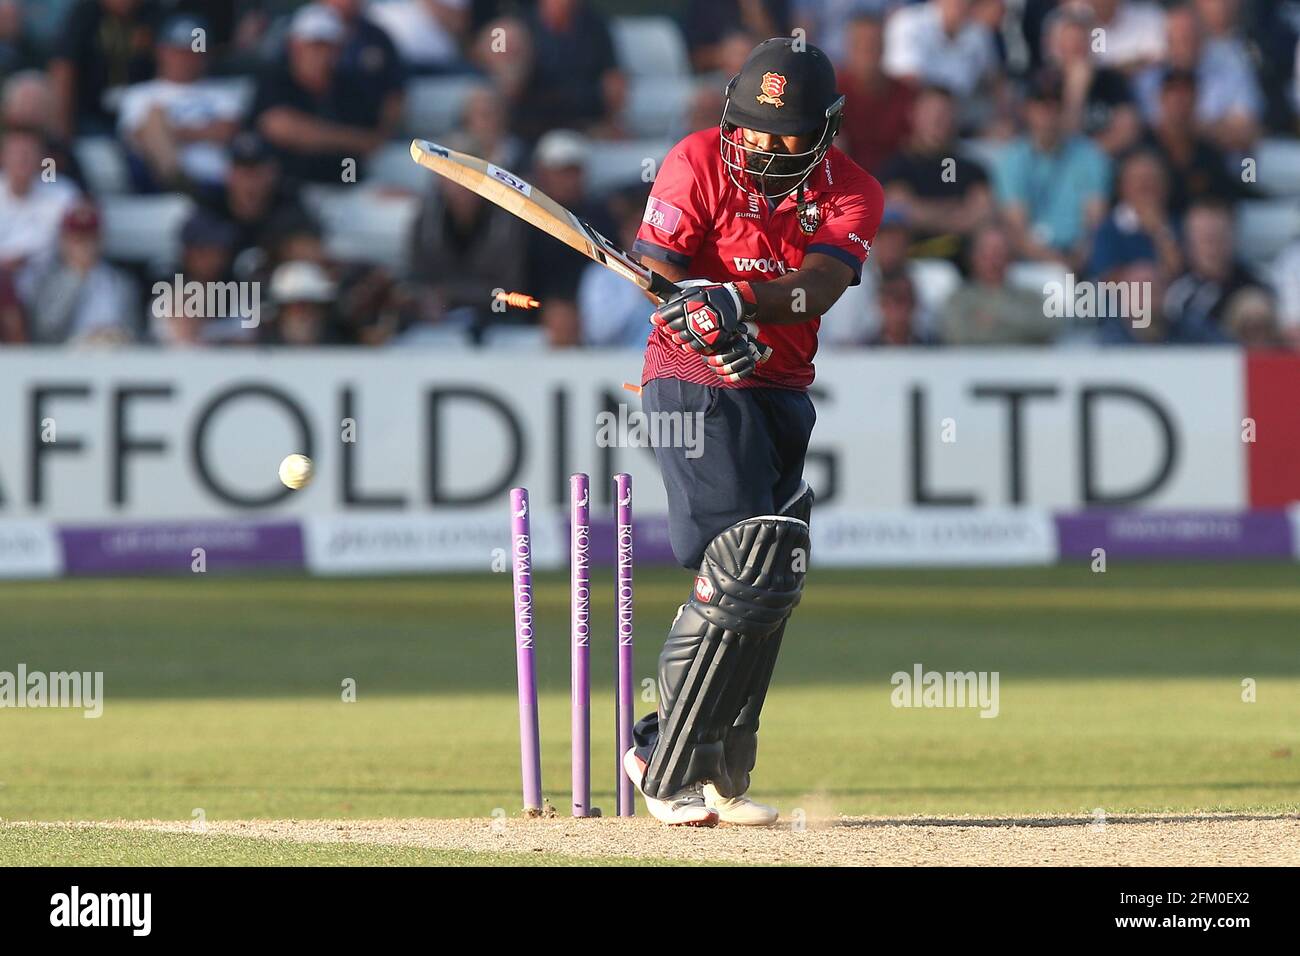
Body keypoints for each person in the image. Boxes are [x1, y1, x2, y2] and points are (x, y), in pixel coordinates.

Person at [624, 38, 882, 826]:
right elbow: (658, 276)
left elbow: (819, 287)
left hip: (780, 389)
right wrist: (701, 315)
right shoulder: (696, 159)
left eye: (789, 138)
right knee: (741, 567)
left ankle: (713, 764)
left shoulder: (854, 192)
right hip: (691, 380)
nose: (767, 152)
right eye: (756, 132)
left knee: (773, 577)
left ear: (828, 131)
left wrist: (738, 304)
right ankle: (656, 752)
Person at [250, 4, 388, 185]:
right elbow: (279, 127)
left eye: (327, 46)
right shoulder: (276, 81)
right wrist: (344, 138)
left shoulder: (350, 87)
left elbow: (371, 141)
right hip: (288, 190)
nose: (320, 54)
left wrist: (312, 134)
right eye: (313, 46)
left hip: (347, 185)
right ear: (295, 46)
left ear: (338, 49)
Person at [995, 67, 1110, 269]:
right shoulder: (1011, 159)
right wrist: (1057, 264)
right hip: (1032, 263)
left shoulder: (1091, 155)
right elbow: (1017, 230)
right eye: (1041, 104)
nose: (1048, 112)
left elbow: (1095, 223)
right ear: (1027, 110)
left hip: (1081, 261)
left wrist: (1075, 261)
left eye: (1055, 104)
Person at [117, 14, 244, 192]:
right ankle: (179, 182)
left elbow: (227, 132)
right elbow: (138, 138)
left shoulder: (222, 93)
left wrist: (170, 132)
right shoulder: (139, 94)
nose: (186, 59)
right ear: (162, 51)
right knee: (155, 114)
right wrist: (204, 131)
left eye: (194, 52)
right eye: (179, 52)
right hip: (160, 182)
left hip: (216, 180)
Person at [29, 203, 140, 344]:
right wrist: (77, 278)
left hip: (115, 354)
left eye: (90, 238)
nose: (84, 245)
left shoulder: (120, 282)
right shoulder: (47, 279)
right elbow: (46, 333)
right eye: (77, 239)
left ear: (100, 240)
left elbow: (135, 332)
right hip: (66, 358)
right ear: (63, 240)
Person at [49, 0, 159, 138]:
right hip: (91, 116)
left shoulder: (152, 13)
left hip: (140, 114)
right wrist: (61, 128)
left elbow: (174, 64)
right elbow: (63, 68)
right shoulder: (84, 13)